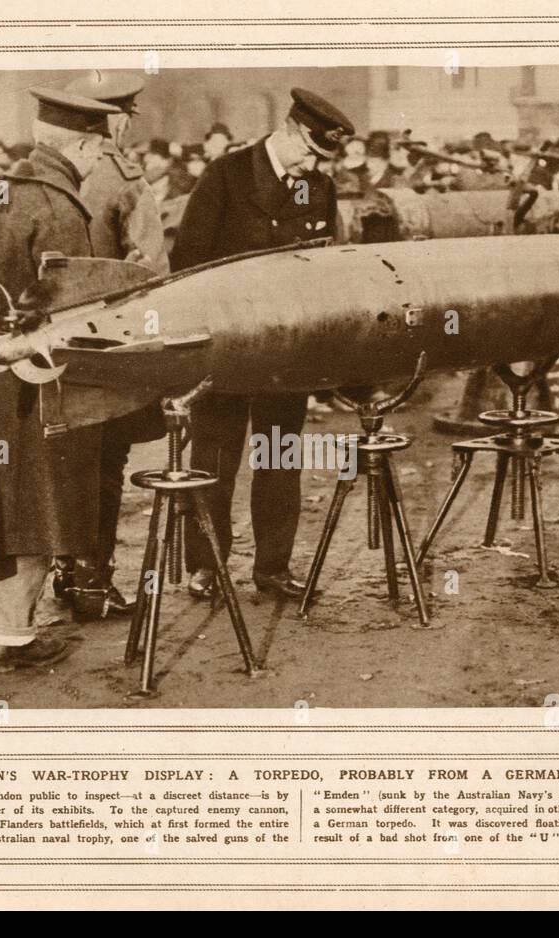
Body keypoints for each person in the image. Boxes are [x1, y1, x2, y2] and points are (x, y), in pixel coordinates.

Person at [0, 84, 121, 672]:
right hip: (38, 380)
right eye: (100, 147)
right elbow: (72, 308)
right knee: (40, 510)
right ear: (83, 145)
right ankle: (11, 637)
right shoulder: (58, 208)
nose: (100, 159)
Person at [170, 87, 352, 600]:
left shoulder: (317, 186)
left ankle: (273, 568)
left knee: (279, 458)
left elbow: (323, 266)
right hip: (225, 350)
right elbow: (187, 263)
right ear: (291, 132)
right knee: (215, 460)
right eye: (311, 153)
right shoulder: (225, 177)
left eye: (322, 160)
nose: (313, 168)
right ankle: (206, 567)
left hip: (286, 355)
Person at [50, 70, 170, 620]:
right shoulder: (125, 181)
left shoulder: (36, 177)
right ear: (111, 121)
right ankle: (94, 583)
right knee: (105, 463)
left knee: (60, 466)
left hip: (44, 351)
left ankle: (64, 574)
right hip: (106, 349)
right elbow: (150, 272)